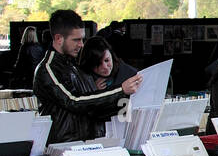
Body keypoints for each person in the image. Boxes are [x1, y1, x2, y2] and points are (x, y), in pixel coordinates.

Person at [34, 9, 142, 143]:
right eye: (76, 40)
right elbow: (73, 101)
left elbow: (91, 106)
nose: (81, 44)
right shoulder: (48, 69)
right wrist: (121, 90)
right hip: (66, 146)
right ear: (58, 38)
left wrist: (127, 104)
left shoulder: (74, 66)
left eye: (82, 39)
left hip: (86, 143)